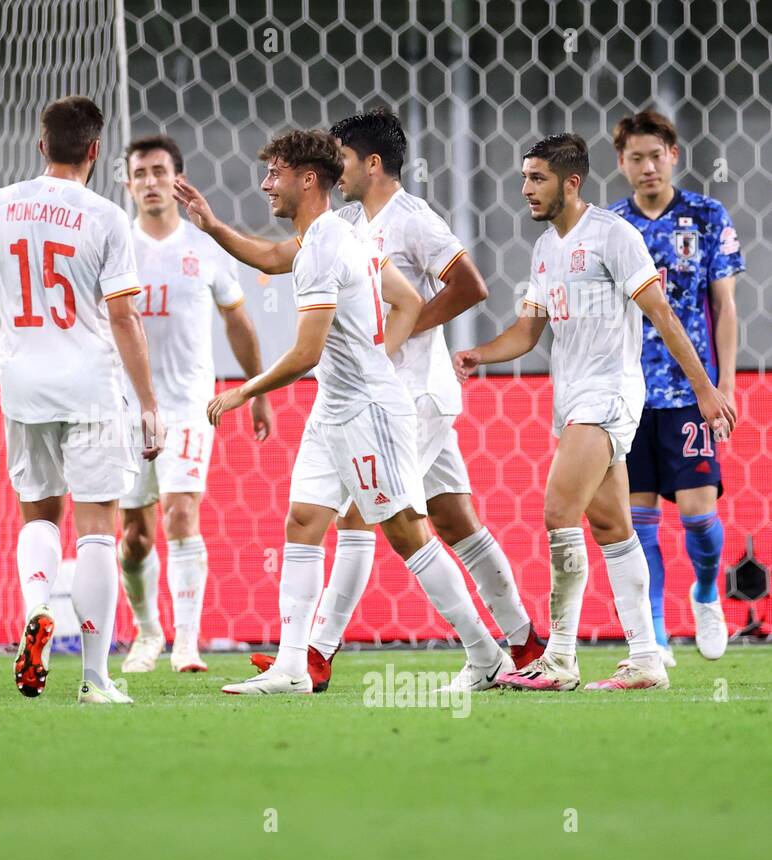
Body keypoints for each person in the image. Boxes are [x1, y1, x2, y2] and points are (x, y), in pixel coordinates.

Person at [204, 129, 515, 695]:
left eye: (275, 173)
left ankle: (488, 654)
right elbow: (406, 300)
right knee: (303, 520)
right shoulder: (337, 233)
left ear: (307, 179)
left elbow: (306, 353)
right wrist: (212, 226)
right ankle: (294, 666)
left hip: (368, 411)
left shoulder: (328, 244)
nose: (265, 184)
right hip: (336, 405)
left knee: (407, 533)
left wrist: (242, 391)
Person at [454, 133, 736, 692]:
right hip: (572, 398)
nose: (525, 188)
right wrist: (478, 354)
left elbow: (663, 313)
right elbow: (529, 330)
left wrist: (704, 388)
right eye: (525, 177)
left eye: (537, 178)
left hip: (609, 394)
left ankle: (559, 659)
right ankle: (647, 659)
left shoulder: (614, 236)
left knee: (560, 512)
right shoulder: (545, 250)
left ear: (571, 182)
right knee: (611, 526)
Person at [0, 96, 164, 704]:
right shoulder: (106, 217)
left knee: (39, 517)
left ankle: (39, 606)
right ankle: (96, 678)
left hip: (23, 389)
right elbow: (123, 317)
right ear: (96, 151)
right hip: (92, 390)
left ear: (41, 145)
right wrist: (147, 402)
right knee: (97, 531)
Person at [116, 134, 275, 675]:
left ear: (177, 179)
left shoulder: (204, 245)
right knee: (134, 537)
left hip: (188, 404)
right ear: (127, 183)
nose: (150, 182)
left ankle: (187, 642)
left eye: (159, 172)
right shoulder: (116, 245)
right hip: (127, 408)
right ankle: (146, 632)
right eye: (139, 174)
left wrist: (254, 390)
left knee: (182, 513)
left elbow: (237, 318)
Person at [610, 110, 744, 664]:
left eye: (656, 155)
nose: (648, 166)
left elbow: (725, 307)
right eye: (636, 158)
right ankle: (658, 633)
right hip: (631, 397)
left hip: (691, 393)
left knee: (697, 516)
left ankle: (707, 592)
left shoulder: (707, 216)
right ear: (621, 163)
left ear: (674, 155)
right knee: (639, 521)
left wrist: (725, 386)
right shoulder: (612, 227)